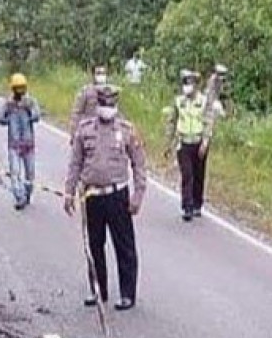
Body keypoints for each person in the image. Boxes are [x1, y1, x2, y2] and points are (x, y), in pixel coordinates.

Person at [64, 85, 147, 311]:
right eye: (103, 104)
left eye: (110, 105)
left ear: (116, 106)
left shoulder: (127, 130)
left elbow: (139, 164)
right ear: (97, 104)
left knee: (124, 246)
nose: (106, 109)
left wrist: (138, 195)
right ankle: (98, 289)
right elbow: (75, 163)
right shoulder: (85, 130)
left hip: (117, 195)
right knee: (94, 245)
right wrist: (69, 191)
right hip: (92, 196)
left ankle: (127, 294)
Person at [164, 70, 208, 221]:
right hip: (183, 142)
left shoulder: (203, 101)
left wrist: (206, 141)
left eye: (190, 83)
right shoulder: (178, 101)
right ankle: (187, 206)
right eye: (185, 83)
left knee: (199, 174)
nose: (187, 87)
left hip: (199, 141)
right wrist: (169, 144)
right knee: (187, 174)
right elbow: (172, 122)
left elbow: (208, 122)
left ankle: (197, 204)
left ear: (195, 85)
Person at [0, 73, 41, 210]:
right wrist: (8, 115)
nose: (20, 92)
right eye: (17, 88)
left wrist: (29, 111)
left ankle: (27, 194)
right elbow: (0, 119)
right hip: (14, 144)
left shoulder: (30, 101)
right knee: (15, 172)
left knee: (30, 173)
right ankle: (19, 196)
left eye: (22, 88)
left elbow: (37, 115)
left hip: (28, 144)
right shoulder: (8, 103)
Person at [70, 64, 108, 134]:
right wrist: (74, 132)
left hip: (105, 132)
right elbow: (77, 113)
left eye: (103, 73)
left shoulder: (110, 92)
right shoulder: (86, 91)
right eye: (99, 73)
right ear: (93, 75)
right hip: (88, 131)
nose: (101, 76)